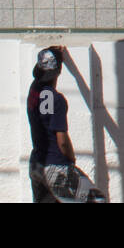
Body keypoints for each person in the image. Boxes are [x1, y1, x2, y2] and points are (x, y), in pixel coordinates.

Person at [27, 46, 102, 202]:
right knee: (97, 200)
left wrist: (54, 52)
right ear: (58, 72)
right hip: (57, 167)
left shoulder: (33, 91)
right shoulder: (57, 100)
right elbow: (62, 141)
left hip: (36, 166)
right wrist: (71, 160)